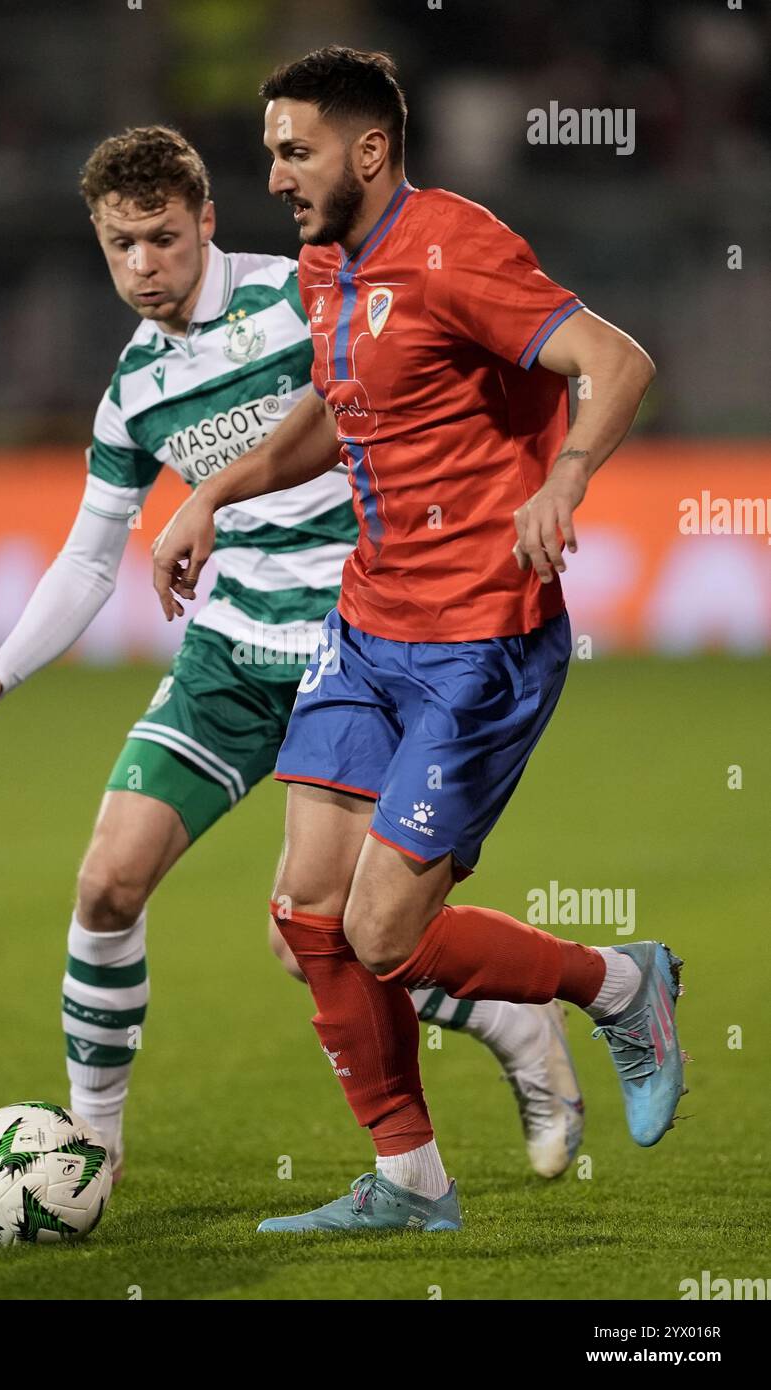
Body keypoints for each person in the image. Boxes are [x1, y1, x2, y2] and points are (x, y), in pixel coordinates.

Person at [0, 125, 584, 1186]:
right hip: (231, 653)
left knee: (323, 936)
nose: (142, 268)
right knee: (107, 884)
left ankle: (514, 1022)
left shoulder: (300, 300)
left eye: (162, 239)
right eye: (118, 246)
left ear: (207, 220)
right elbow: (88, 555)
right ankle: (90, 1148)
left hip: (357, 644)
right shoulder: (131, 392)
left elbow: (405, 393)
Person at [151, 49, 684, 1234]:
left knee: (382, 933)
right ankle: (409, 1180)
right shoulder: (327, 265)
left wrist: (568, 481)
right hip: (370, 623)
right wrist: (214, 492)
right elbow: (337, 411)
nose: (277, 175)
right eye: (274, 150)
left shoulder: (454, 246)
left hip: (480, 640)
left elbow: (617, 360)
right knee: (305, 919)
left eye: (297, 151)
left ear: (369, 151)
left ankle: (621, 986)